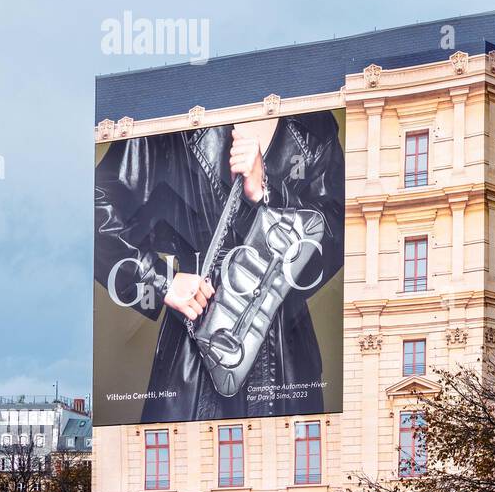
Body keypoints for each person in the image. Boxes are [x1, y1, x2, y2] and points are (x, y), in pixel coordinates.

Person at [94, 112, 346, 421]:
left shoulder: (314, 124)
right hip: (199, 337)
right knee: (185, 464)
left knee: (287, 464)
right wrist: (161, 282)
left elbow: (337, 236)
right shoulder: (175, 117)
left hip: (286, 353)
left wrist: (267, 193)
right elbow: (95, 208)